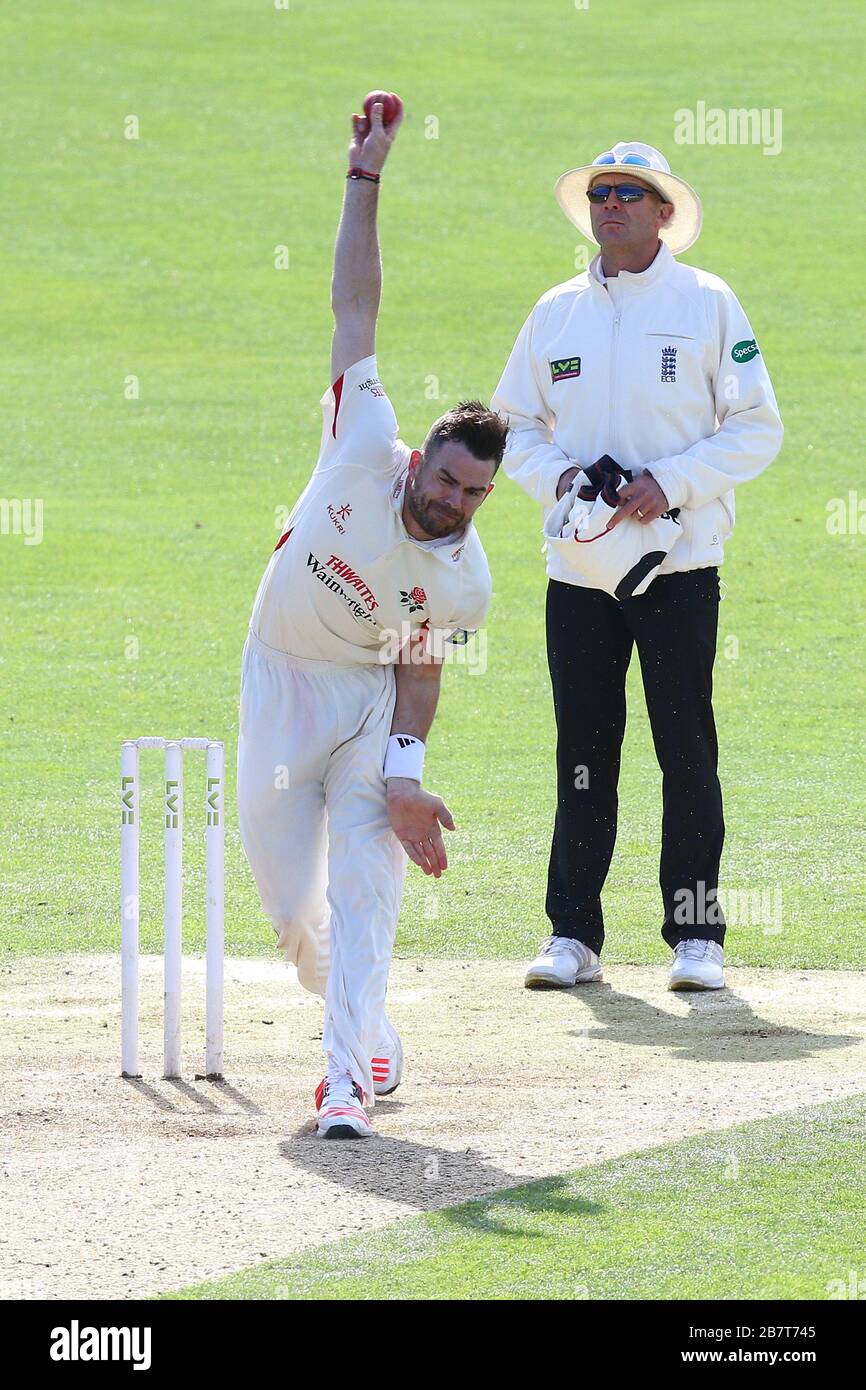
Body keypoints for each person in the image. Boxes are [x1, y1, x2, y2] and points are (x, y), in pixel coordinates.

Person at [238, 97, 506, 1138]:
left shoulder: (463, 581)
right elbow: (355, 303)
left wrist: (401, 777)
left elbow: (420, 671)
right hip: (277, 675)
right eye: (446, 482)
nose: (452, 504)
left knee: (364, 882)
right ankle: (362, 1017)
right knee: (292, 915)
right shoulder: (363, 440)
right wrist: (366, 177)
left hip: (362, 702)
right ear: (421, 456)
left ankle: (344, 1079)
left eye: (473, 495)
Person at [492, 141, 783, 994]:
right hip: (580, 573)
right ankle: (572, 933)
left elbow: (756, 427)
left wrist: (670, 483)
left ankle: (696, 936)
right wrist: (568, 481)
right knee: (583, 751)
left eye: (629, 192)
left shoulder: (707, 302)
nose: (609, 203)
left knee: (684, 747)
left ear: (664, 213)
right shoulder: (556, 311)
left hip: (680, 567)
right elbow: (511, 425)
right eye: (600, 192)